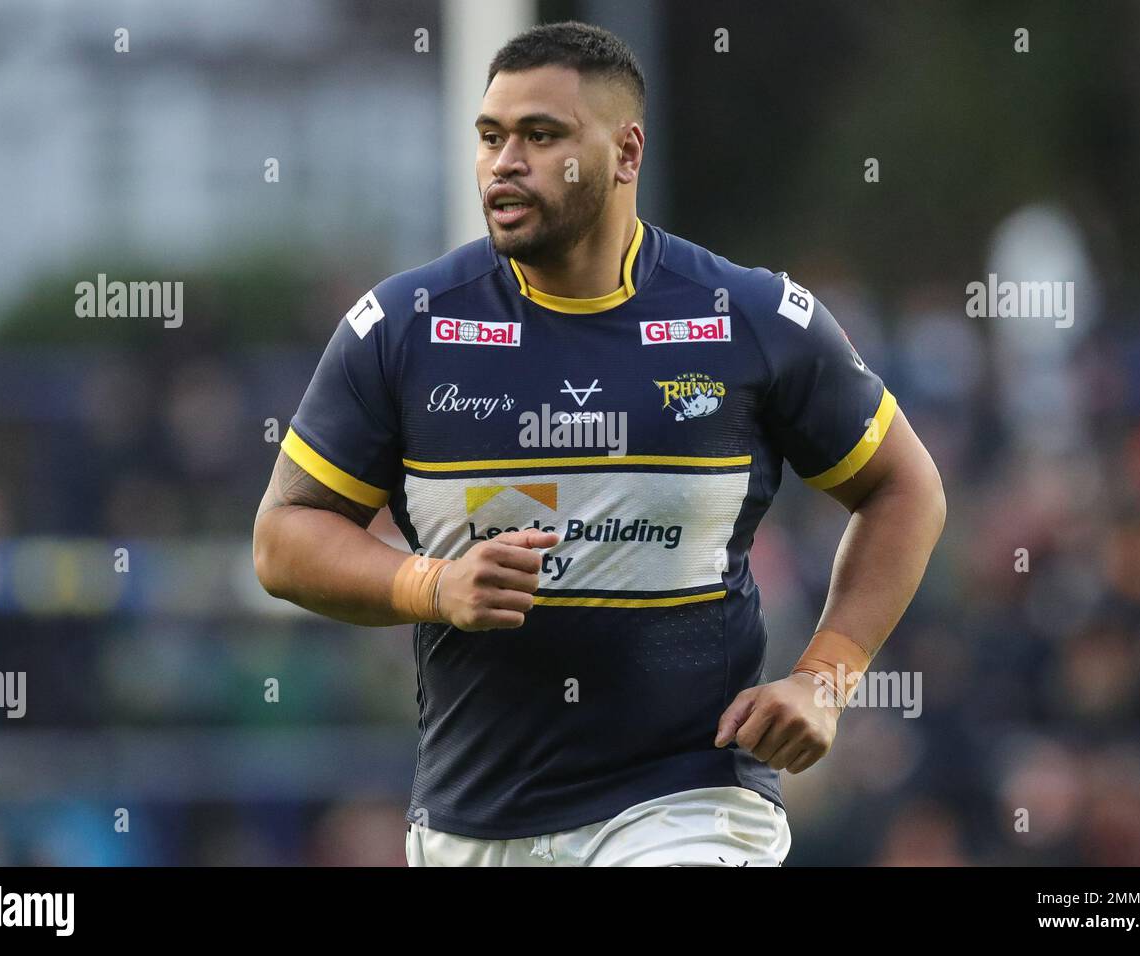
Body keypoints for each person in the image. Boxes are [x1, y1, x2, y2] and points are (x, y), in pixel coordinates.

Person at [252, 21, 946, 866]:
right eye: (490, 136)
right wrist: (429, 584)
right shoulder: (401, 328)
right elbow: (283, 539)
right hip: (472, 819)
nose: (506, 161)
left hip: (690, 799)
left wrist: (826, 678)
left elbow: (906, 489)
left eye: (542, 136)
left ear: (625, 152)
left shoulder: (754, 319)